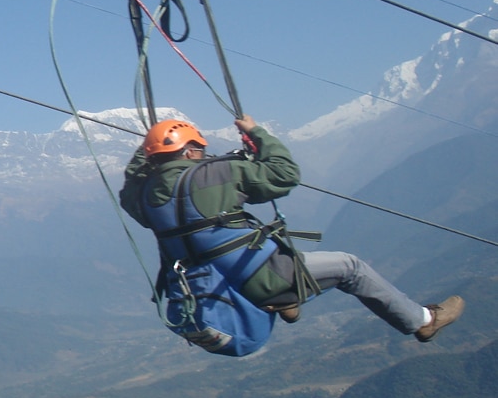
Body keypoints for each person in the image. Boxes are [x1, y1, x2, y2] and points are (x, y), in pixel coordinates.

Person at [120, 115, 463, 344]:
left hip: (205, 288)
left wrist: (145, 153)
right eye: (200, 150)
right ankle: (421, 320)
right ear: (192, 150)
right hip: (254, 279)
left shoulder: (145, 196)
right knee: (350, 267)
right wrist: (258, 134)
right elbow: (285, 175)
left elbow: (129, 188)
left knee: (256, 256)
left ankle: (285, 301)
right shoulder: (218, 173)